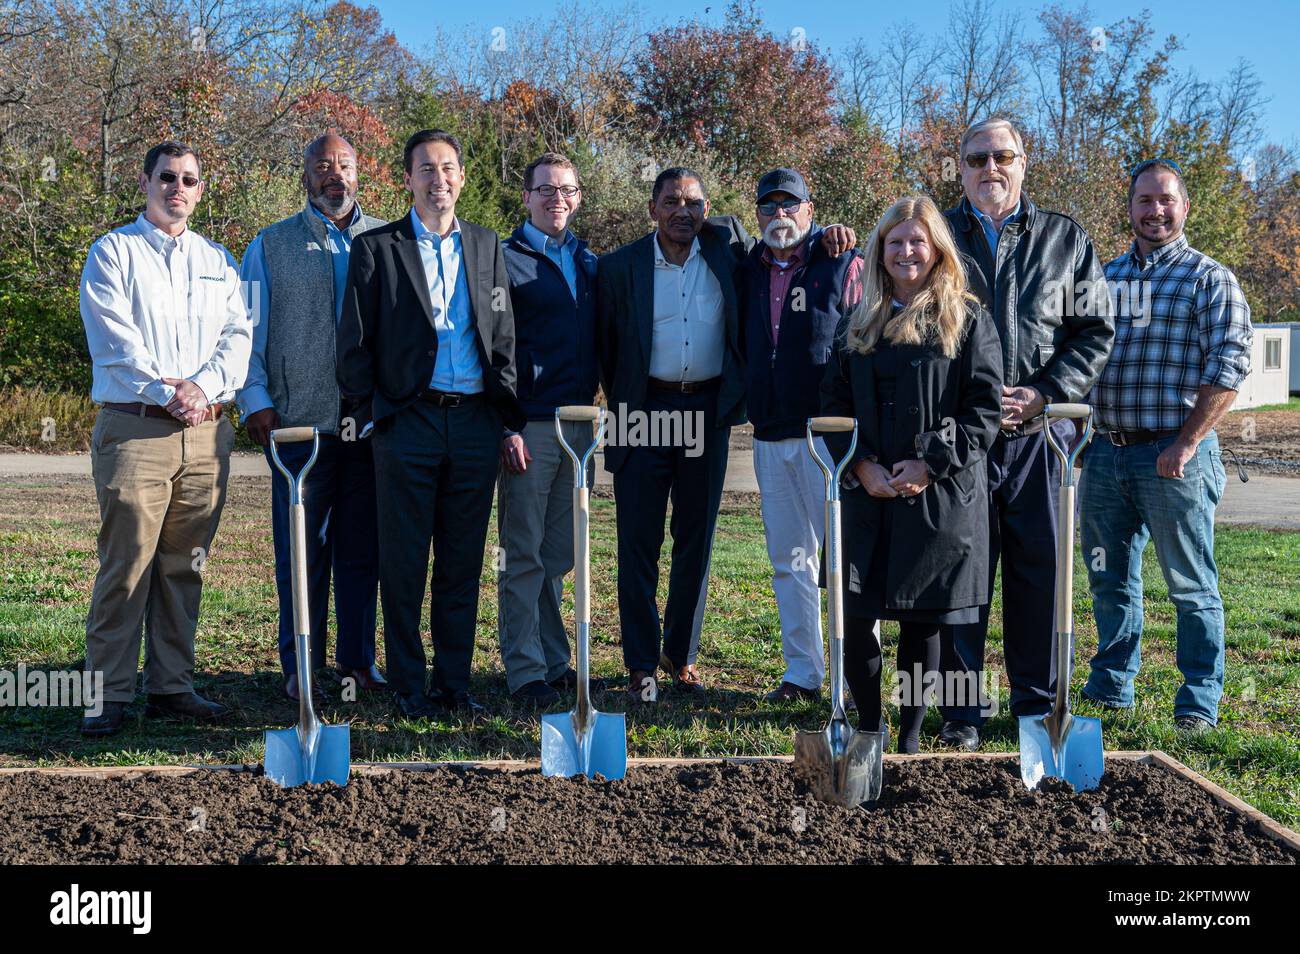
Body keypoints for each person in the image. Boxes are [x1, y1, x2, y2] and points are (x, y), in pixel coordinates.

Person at [337, 128, 526, 719]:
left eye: (448, 168)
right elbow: (354, 344)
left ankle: (453, 682)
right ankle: (408, 686)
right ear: (408, 179)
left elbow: (503, 337)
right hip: (407, 424)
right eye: (426, 169)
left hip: (474, 424)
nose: (438, 179)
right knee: (404, 560)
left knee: (463, 561)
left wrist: (506, 418)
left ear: (462, 178)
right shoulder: (377, 248)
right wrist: (372, 418)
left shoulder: (486, 246)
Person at [939, 117, 1114, 749]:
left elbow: (1094, 331)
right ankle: (961, 714)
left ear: (1023, 162)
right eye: (977, 158)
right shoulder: (939, 237)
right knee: (963, 578)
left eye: (1002, 157)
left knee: (1037, 571)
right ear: (960, 168)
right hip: (960, 442)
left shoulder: (1065, 241)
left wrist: (1045, 393)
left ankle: (1035, 709)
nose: (990, 169)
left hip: (1037, 441)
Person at [78, 140, 252, 736]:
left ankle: (172, 686)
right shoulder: (113, 254)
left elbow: (238, 335)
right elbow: (116, 343)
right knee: (127, 564)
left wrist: (202, 388)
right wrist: (169, 392)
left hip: (205, 437)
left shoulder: (218, 261)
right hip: (136, 430)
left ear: (200, 191)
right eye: (167, 177)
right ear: (147, 183)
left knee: (185, 565)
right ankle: (107, 693)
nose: (178, 187)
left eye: (189, 179)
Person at [820, 196, 1002, 753]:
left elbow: (984, 410)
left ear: (937, 250)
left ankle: (909, 739)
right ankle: (870, 729)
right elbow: (831, 409)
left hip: (936, 498)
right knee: (855, 615)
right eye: (895, 242)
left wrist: (931, 463)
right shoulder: (857, 323)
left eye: (917, 241)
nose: (906, 251)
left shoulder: (967, 319)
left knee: (922, 623)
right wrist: (859, 466)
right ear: (879, 252)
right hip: (866, 496)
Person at [1081, 158, 1252, 733]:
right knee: (1110, 578)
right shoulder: (1104, 278)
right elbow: (1082, 360)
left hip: (1175, 455)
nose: (1155, 210)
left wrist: (1186, 442)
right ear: (1128, 209)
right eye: (1144, 201)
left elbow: (1228, 368)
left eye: (1166, 200)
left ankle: (1198, 701)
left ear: (1185, 206)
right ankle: (1110, 688)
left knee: (1189, 582)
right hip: (1105, 453)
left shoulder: (1210, 279)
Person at [238, 133, 386, 703]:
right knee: (301, 554)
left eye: (344, 164)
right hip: (299, 427)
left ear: (359, 171)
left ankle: (357, 663)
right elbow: (246, 328)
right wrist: (256, 400)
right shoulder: (271, 245)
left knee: (360, 552)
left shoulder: (386, 239)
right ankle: (301, 664)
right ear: (304, 174)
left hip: (369, 427)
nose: (334, 174)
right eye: (322, 165)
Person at [738, 167, 868, 702]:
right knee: (790, 560)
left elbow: (865, 345)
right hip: (770, 434)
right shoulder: (745, 265)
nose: (779, 215)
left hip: (829, 436)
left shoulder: (841, 262)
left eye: (790, 205)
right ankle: (803, 672)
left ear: (810, 210)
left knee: (842, 561)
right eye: (768, 207)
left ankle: (855, 672)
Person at [497, 152, 600, 707]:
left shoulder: (588, 261)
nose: (556, 198)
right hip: (529, 424)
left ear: (578, 197)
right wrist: (506, 423)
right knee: (522, 550)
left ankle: (555, 658)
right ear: (528, 197)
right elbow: (493, 348)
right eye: (545, 190)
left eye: (566, 190)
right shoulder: (504, 261)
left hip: (579, 425)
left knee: (559, 552)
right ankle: (523, 668)